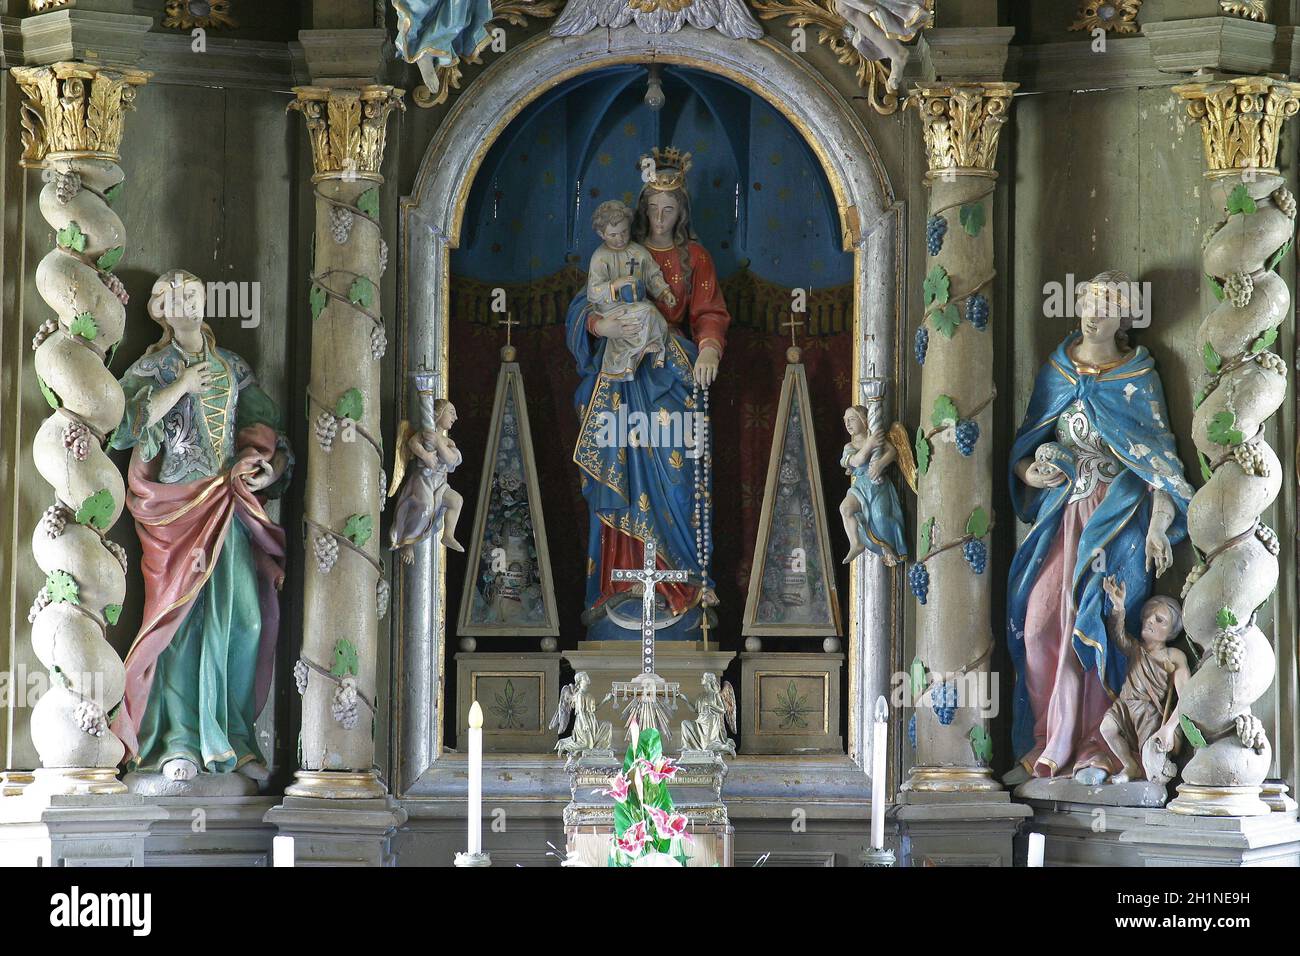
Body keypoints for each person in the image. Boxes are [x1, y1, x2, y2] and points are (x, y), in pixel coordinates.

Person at [1005, 271, 1193, 786]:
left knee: (1103, 629)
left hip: (1121, 521)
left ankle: (1099, 749)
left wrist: (1157, 528)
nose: (1094, 314)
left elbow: (1161, 464)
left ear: (1124, 317)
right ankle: (1047, 741)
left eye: (1107, 307)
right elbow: (1026, 444)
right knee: (1042, 620)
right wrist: (1030, 471)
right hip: (1063, 513)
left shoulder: (1139, 375)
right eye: (1088, 303)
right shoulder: (1058, 371)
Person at [110, 270, 291, 784]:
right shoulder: (155, 366)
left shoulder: (232, 366)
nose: (188, 302)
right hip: (173, 509)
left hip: (225, 506)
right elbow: (126, 425)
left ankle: (235, 737)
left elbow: (265, 432)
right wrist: (182, 385)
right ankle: (178, 740)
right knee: (180, 622)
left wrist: (265, 467)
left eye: (194, 292)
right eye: (176, 297)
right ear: (162, 312)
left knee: (246, 619)